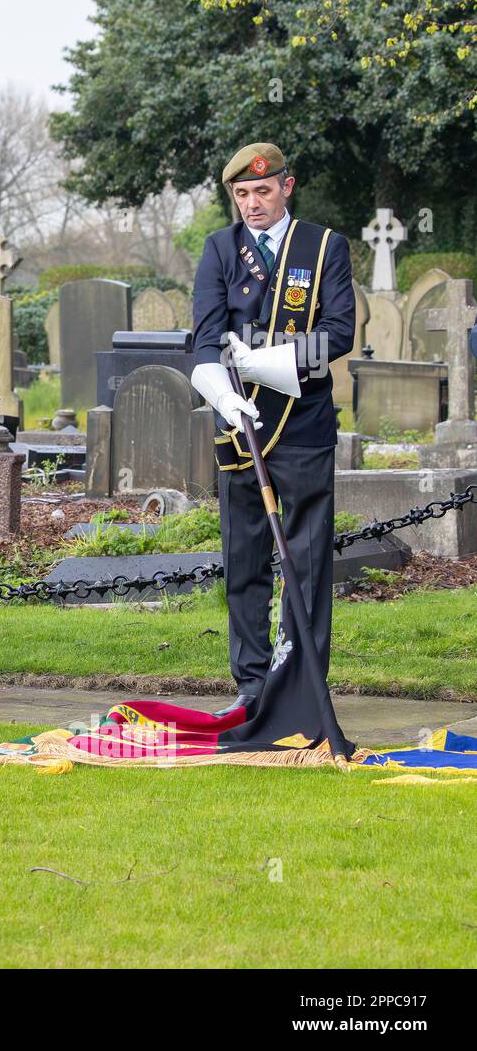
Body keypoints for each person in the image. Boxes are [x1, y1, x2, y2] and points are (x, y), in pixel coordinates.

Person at [189, 143, 355, 716]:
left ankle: (301, 678)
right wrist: (219, 388)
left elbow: (340, 332)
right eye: (241, 194)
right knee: (245, 558)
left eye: (262, 191)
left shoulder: (324, 247)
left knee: (307, 561)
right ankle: (252, 682)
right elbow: (206, 333)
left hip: (303, 422)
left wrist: (270, 362)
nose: (252, 203)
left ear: (287, 186)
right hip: (241, 423)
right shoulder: (219, 248)